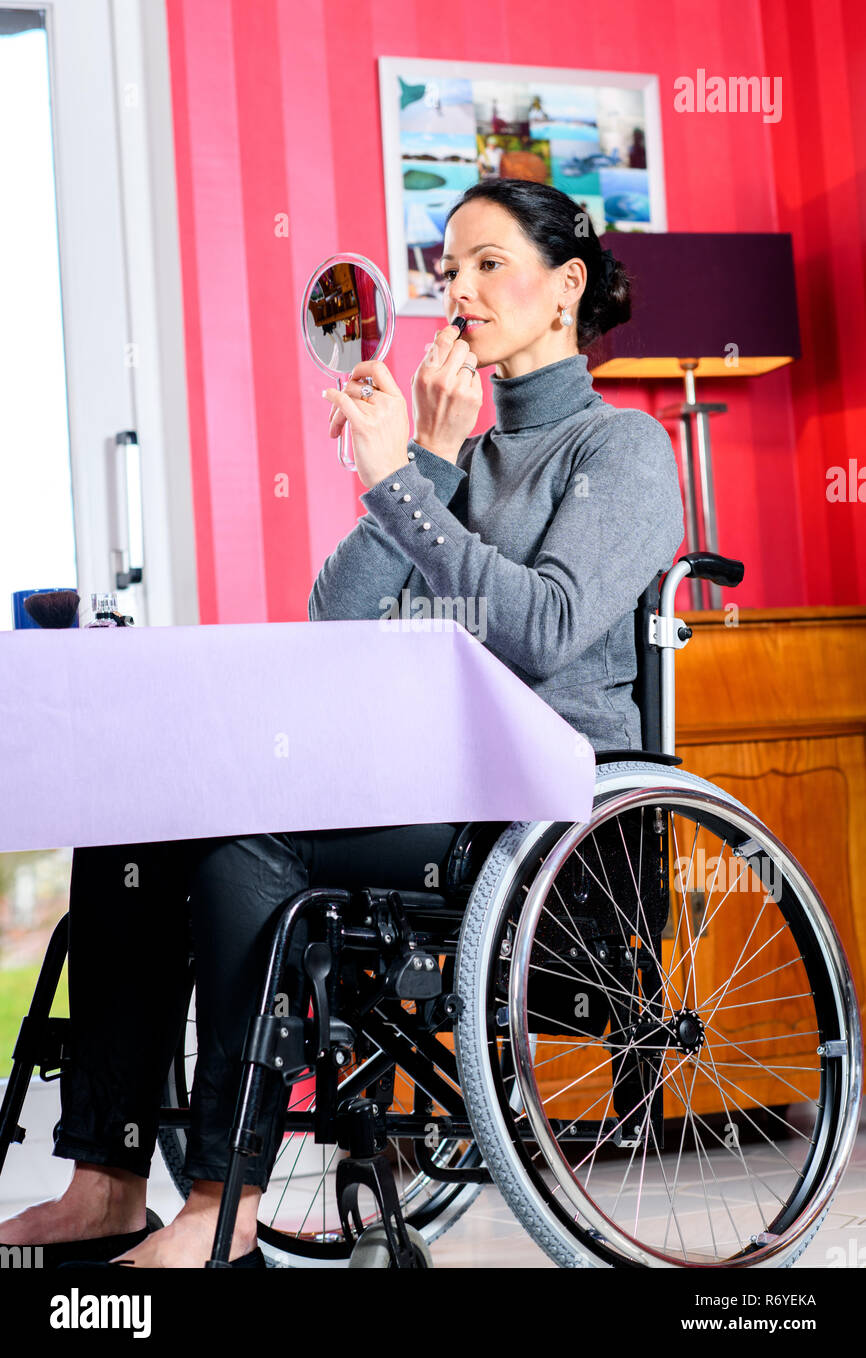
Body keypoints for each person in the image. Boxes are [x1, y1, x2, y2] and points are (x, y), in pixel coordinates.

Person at [0, 176, 684, 1268]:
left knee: (247, 840)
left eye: (484, 264)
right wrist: (420, 461)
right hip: (412, 789)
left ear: (564, 288)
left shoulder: (622, 453)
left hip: (531, 821)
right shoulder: (452, 450)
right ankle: (106, 1179)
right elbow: (337, 618)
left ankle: (216, 1206)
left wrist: (400, 484)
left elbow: (544, 631)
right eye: (445, 269)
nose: (454, 290)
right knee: (135, 815)